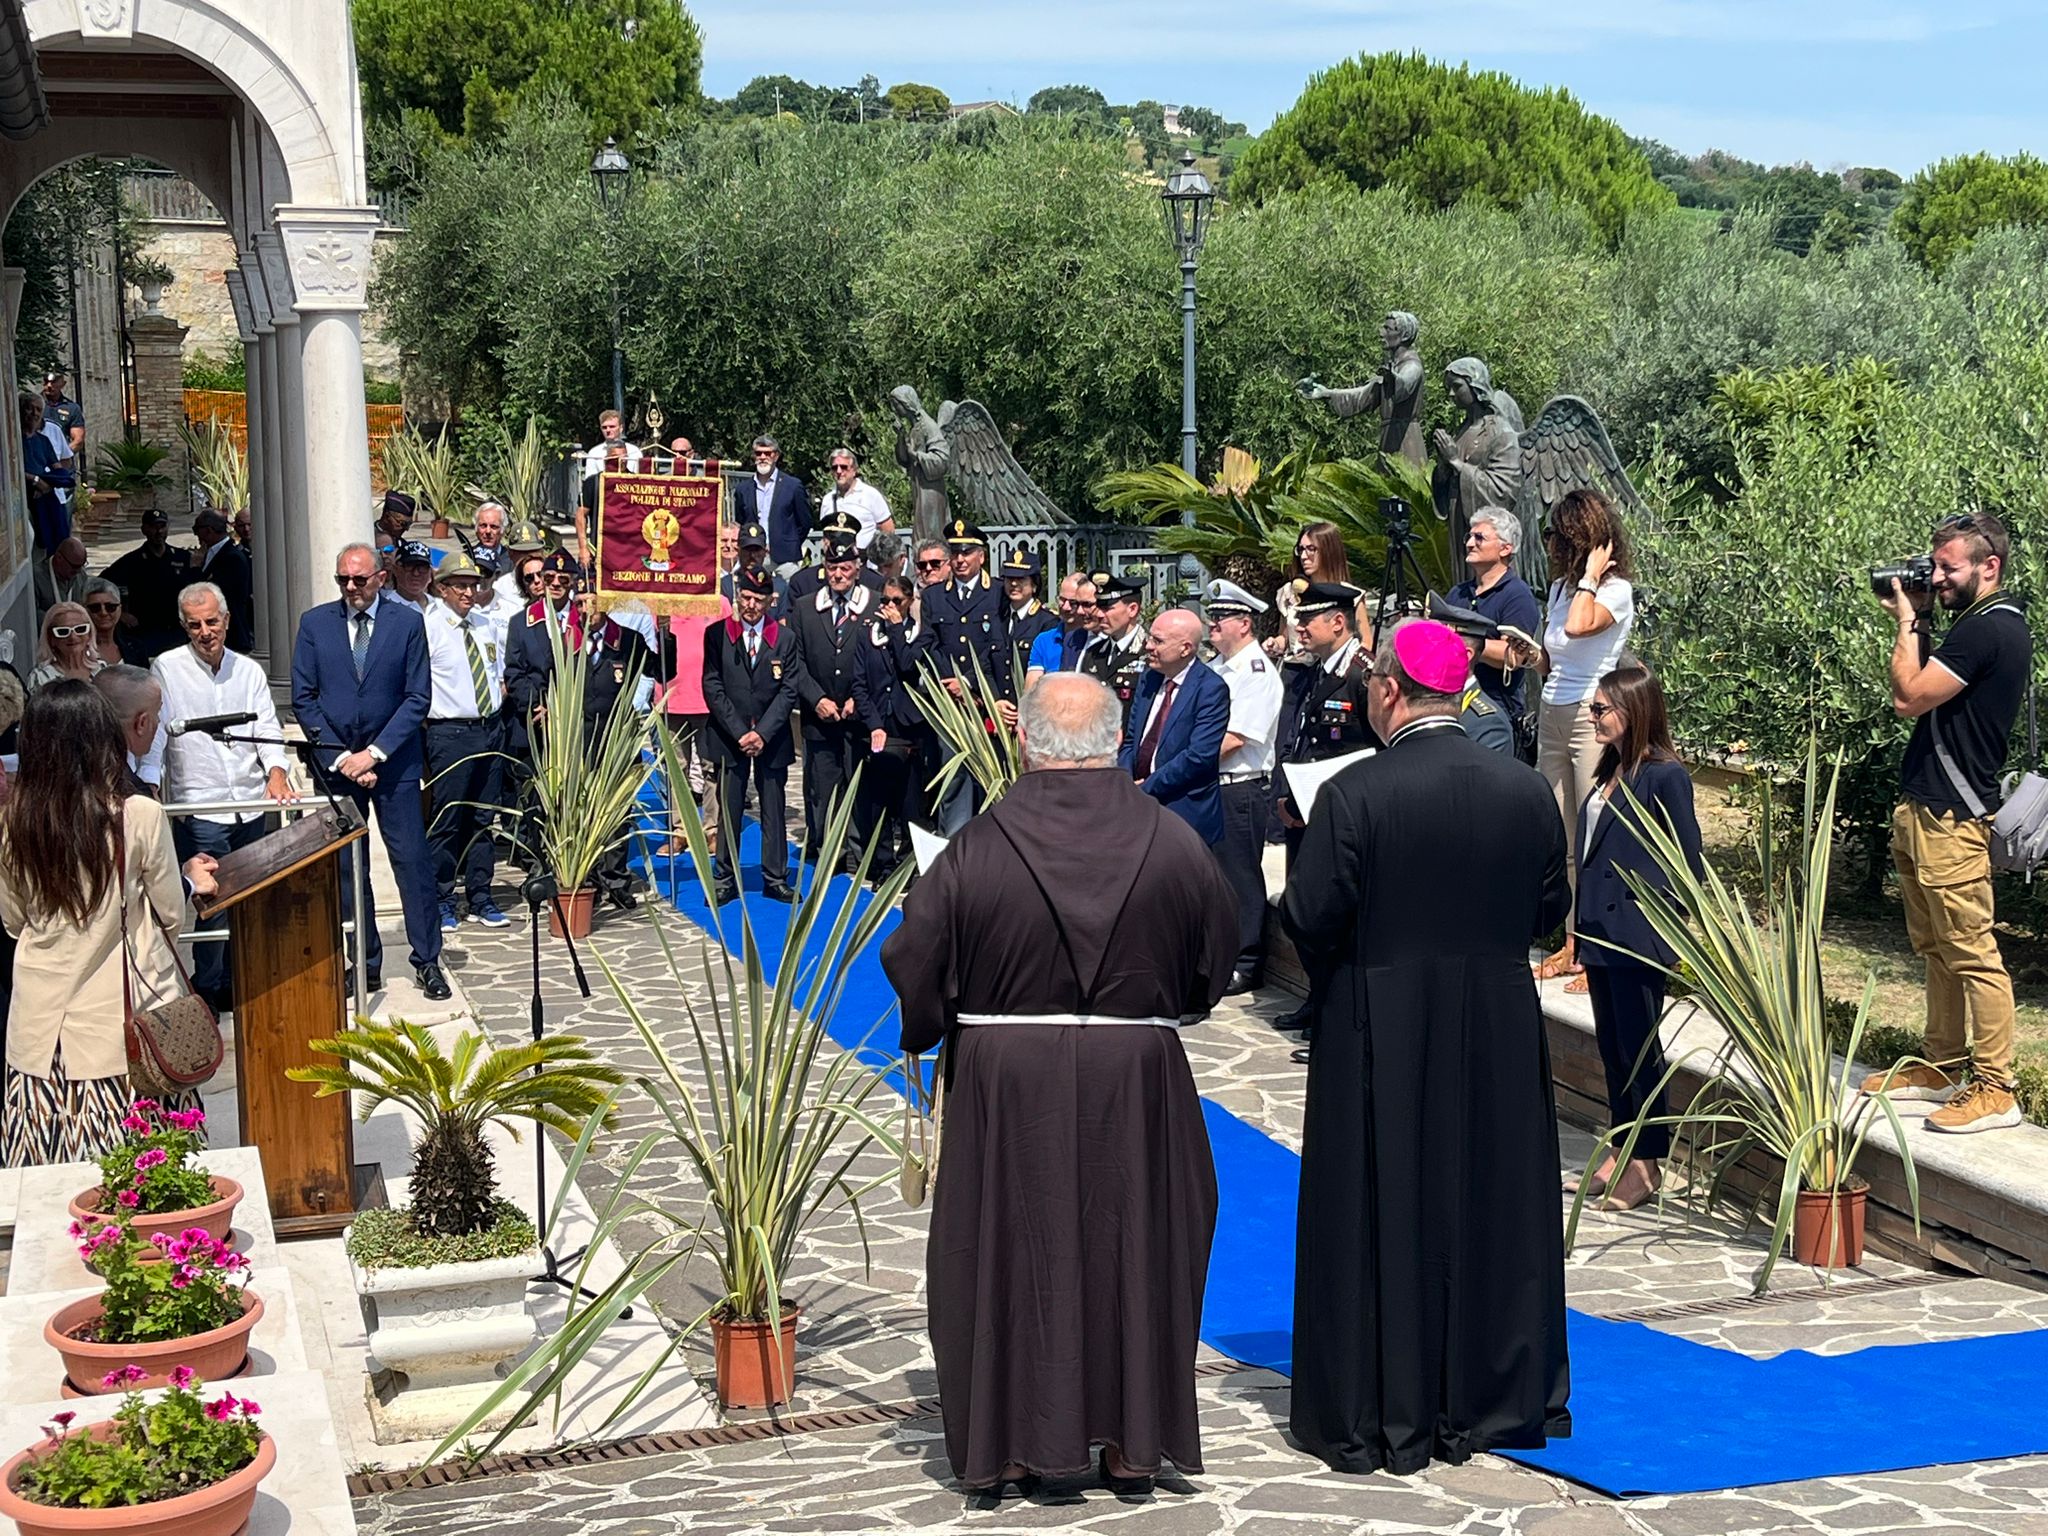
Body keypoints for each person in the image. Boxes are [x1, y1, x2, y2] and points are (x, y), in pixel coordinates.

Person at [881, 673, 1238, 1496]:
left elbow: (915, 958)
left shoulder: (976, 845)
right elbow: (1214, 955)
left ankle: (1008, 1446)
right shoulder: (1174, 841)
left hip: (1008, 1085)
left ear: (1025, 742)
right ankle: (1130, 1445)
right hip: (1134, 1077)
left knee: (1003, 1251)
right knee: (1138, 1247)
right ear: (1114, 742)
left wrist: (938, 1022)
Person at [1283, 619, 1572, 1476]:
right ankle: (1497, 1393)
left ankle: (1387, 1400)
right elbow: (1548, 918)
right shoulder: (1524, 792)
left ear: (1387, 691)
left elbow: (1308, 918)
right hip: (1495, 1022)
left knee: (1383, 1201)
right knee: (1493, 1196)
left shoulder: (1355, 793)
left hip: (1382, 1022)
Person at [1861, 511, 2031, 1134]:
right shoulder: (1974, 626)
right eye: (1933, 567)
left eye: (1947, 568)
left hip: (1953, 818)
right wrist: (1924, 619)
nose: (1935, 577)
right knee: (1936, 948)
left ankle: (1995, 1088)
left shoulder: (1989, 629)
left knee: (1972, 952)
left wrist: (1909, 620)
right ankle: (1942, 1064)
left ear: (1990, 566)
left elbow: (1908, 696)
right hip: (1926, 808)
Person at [0, 682, 218, 1166]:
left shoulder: (14, 820)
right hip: (123, 1035)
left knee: (49, 1187)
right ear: (102, 738)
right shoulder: (136, 814)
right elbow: (169, 915)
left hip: (39, 1035)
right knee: (138, 1182)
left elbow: (14, 920)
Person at [290, 542, 448, 1001]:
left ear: (382, 577)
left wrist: (375, 753)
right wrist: (343, 758)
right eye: (343, 580)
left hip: (394, 765)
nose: (351, 588)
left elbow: (417, 697)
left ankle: (427, 961)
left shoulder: (407, 624)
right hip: (339, 767)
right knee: (347, 869)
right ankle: (365, 961)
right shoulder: (316, 624)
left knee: (412, 863)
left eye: (360, 579)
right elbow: (305, 697)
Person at [1573, 664, 1702, 1209]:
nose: (1593, 717)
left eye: (1602, 709)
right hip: (1600, 933)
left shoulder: (1663, 775)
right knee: (1614, 1049)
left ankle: (1647, 1162)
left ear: (1634, 710)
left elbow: (1687, 861)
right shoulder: (1611, 767)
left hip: (1637, 936)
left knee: (1641, 1049)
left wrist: (1659, 922)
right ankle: (1623, 1144)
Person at [153, 581, 293, 1009]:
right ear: (184, 627)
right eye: (194, 625)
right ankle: (209, 988)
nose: (205, 632)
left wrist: (276, 772)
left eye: (212, 622)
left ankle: (244, 980)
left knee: (250, 900)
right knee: (210, 900)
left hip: (249, 803)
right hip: (201, 806)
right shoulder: (165, 667)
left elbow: (267, 729)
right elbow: (158, 733)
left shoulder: (248, 671)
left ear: (227, 621)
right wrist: (149, 787)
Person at [1528, 489, 1636, 990]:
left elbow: (1576, 629)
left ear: (1581, 539)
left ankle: (1598, 951)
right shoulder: (1558, 590)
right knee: (1560, 834)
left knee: (1594, 836)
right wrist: (1528, 652)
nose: (1548, 543)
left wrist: (1592, 575)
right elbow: (1554, 653)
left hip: (1591, 717)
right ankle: (1572, 944)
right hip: (1551, 710)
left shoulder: (1613, 592)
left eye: (1557, 535)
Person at [420, 553, 509, 932]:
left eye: (473, 585)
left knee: (484, 817)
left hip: (489, 727)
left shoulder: (484, 625)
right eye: (460, 586)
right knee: (448, 818)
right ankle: (442, 897)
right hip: (449, 732)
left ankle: (480, 895)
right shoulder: (429, 627)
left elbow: (496, 672)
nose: (469, 592)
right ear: (442, 589)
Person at [701, 566, 799, 904]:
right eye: (745, 597)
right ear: (736, 596)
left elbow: (789, 690)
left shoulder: (784, 638)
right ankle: (725, 878)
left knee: (773, 809)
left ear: (770, 601)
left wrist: (763, 732)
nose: (751, 606)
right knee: (729, 810)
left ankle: (775, 877)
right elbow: (712, 686)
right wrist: (742, 732)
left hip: (772, 738)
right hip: (730, 736)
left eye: (758, 599)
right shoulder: (717, 634)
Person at [1205, 580, 1286, 991]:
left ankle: (1247, 959)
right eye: (1211, 616)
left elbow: (1236, 738)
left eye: (1221, 617)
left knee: (1239, 874)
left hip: (1239, 785)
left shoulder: (1256, 673)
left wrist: (1188, 761)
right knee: (1210, 875)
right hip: (1209, 784)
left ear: (1245, 623)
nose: (1212, 624)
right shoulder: (1216, 668)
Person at [788, 536, 875, 868]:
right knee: (823, 789)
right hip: (819, 716)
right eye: (832, 567)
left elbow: (878, 661)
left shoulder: (873, 604)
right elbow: (794, 662)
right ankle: (830, 851)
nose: (839, 574)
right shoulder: (805, 607)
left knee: (860, 784)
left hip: (859, 714)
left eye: (845, 567)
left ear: (856, 568)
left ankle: (857, 850)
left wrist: (859, 697)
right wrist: (817, 698)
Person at [1119, 608, 1230, 843]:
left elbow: (1199, 756)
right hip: (1138, 808)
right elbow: (1132, 740)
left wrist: (1147, 787)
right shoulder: (1149, 678)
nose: (1148, 646)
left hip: (1184, 813)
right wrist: (1126, 783)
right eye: (1150, 637)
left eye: (1158, 641)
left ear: (1186, 649)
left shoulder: (1210, 689)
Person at [851, 573, 929, 880]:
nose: (890, 606)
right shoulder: (867, 632)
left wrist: (897, 627)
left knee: (910, 803)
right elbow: (859, 683)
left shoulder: (920, 632)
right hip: (878, 725)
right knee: (877, 801)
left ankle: (909, 864)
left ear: (909, 601)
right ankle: (882, 864)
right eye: (885, 600)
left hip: (909, 726)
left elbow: (909, 666)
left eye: (897, 600)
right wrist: (873, 723)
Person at [1447, 507, 1543, 752]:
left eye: (1479, 537)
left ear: (1505, 548)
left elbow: (1513, 656)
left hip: (1494, 716)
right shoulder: (1458, 593)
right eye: (1469, 537)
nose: (1470, 543)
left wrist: (1462, 640)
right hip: (1451, 707)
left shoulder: (1517, 595)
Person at [1427, 595, 1516, 756]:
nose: (1428, 649)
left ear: (1465, 655)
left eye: (1437, 642)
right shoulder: (1424, 699)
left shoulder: (1488, 724)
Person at [103, 509, 194, 660]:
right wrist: (121, 614)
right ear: (144, 530)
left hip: (177, 632)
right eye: (153, 527)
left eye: (162, 526)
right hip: (146, 634)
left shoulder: (183, 558)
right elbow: (102, 585)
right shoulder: (131, 561)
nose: (159, 532)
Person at [1266, 522, 1351, 661]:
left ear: (1328, 551)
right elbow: (1285, 636)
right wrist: (1276, 644)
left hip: (1331, 673)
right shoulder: (1289, 592)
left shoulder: (1349, 594)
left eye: (1311, 549)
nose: (1304, 556)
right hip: (1294, 672)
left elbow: (1364, 643)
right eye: (1301, 549)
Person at [1077, 571, 1148, 733]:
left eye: (1107, 608)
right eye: (1099, 606)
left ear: (1132, 609)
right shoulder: (1094, 652)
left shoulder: (1149, 653)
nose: (1100, 614)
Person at [737, 435, 811, 577]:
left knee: (787, 596)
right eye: (759, 453)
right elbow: (741, 522)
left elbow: (805, 522)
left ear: (776, 456)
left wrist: (788, 541)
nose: (763, 457)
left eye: (768, 453)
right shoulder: (743, 489)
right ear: (754, 457)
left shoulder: (793, 486)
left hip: (786, 558)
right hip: (754, 556)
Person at [782, 508, 882, 612]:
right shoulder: (802, 582)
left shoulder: (874, 583)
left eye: (845, 541)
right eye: (833, 540)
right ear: (824, 542)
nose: (839, 546)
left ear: (855, 545)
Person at [95, 665, 164, 796]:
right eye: (157, 713)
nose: (159, 722)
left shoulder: (60, 775)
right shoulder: (136, 798)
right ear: (141, 724)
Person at [192, 510, 255, 652]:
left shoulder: (232, 557)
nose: (196, 535)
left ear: (208, 530)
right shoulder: (209, 552)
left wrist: (195, 569)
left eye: (197, 530)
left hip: (230, 633)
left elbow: (210, 593)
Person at [816, 446, 895, 551]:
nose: (839, 471)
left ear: (854, 470)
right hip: (838, 562)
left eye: (844, 467)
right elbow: (825, 534)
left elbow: (888, 529)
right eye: (835, 468)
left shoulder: (870, 494)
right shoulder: (828, 500)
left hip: (865, 560)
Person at [1025, 571, 1098, 686]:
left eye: (1073, 602)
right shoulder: (1044, 640)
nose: (1066, 607)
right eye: (1062, 600)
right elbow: (1031, 688)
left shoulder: (1096, 641)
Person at [998, 553, 1060, 673]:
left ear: (1034, 585)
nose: (1014, 584)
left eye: (1021, 579)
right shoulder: (999, 617)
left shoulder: (1047, 622)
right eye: (1010, 579)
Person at [30, 601, 105, 690]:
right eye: (63, 631)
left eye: (80, 629)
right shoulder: (40, 678)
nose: (73, 637)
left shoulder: (101, 670)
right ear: (51, 638)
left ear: (89, 634)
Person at [81, 577, 142, 666]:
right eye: (95, 608)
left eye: (110, 607)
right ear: (84, 610)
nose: (103, 613)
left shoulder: (135, 647)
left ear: (120, 609)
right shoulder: (77, 649)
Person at [34, 535, 90, 621]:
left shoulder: (81, 575)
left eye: (82, 565)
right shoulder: (36, 577)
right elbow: (32, 613)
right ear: (59, 558)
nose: (78, 571)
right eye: (75, 566)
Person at [387, 540, 436, 614]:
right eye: (409, 566)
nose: (416, 573)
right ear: (395, 569)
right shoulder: (384, 607)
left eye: (422, 567)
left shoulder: (439, 606)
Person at [469, 501, 512, 579]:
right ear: (476, 529)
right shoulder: (467, 557)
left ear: (502, 530)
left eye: (494, 526)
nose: (488, 531)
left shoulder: (511, 562)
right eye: (483, 526)